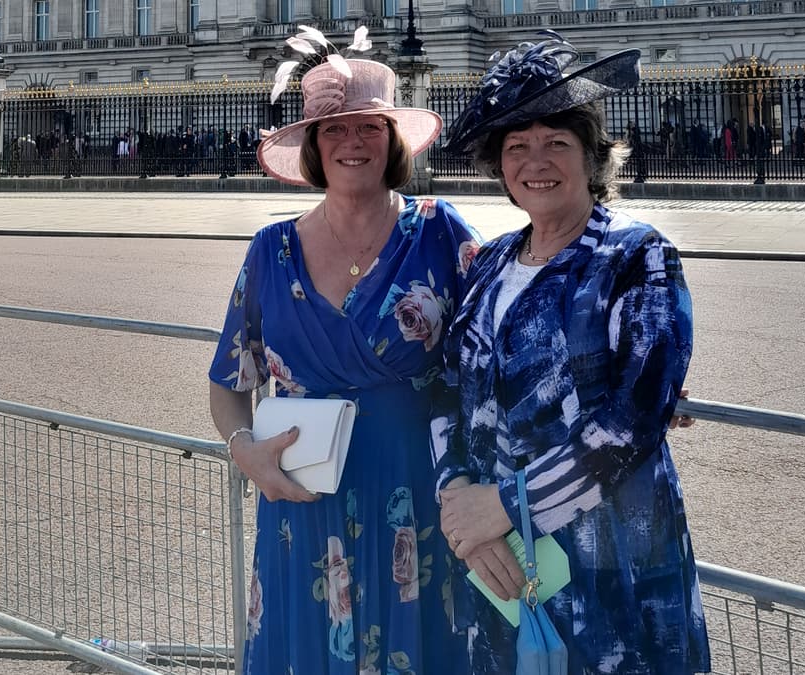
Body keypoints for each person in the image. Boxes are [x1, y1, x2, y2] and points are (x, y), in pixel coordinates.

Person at [433, 32, 710, 674]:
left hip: (609, 557)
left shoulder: (636, 256)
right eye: (517, 147)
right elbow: (447, 388)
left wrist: (504, 509)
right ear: (499, 167)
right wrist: (457, 502)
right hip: (498, 561)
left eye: (557, 142)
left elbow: (633, 418)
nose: (537, 160)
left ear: (593, 157)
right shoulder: (487, 264)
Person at [207, 30, 479, 675]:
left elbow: (510, 340)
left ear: (393, 144)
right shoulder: (269, 249)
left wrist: (628, 376)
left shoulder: (442, 231)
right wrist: (242, 448)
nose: (352, 143)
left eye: (368, 128)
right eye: (334, 130)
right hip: (300, 497)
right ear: (313, 149)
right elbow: (228, 379)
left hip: (415, 493)